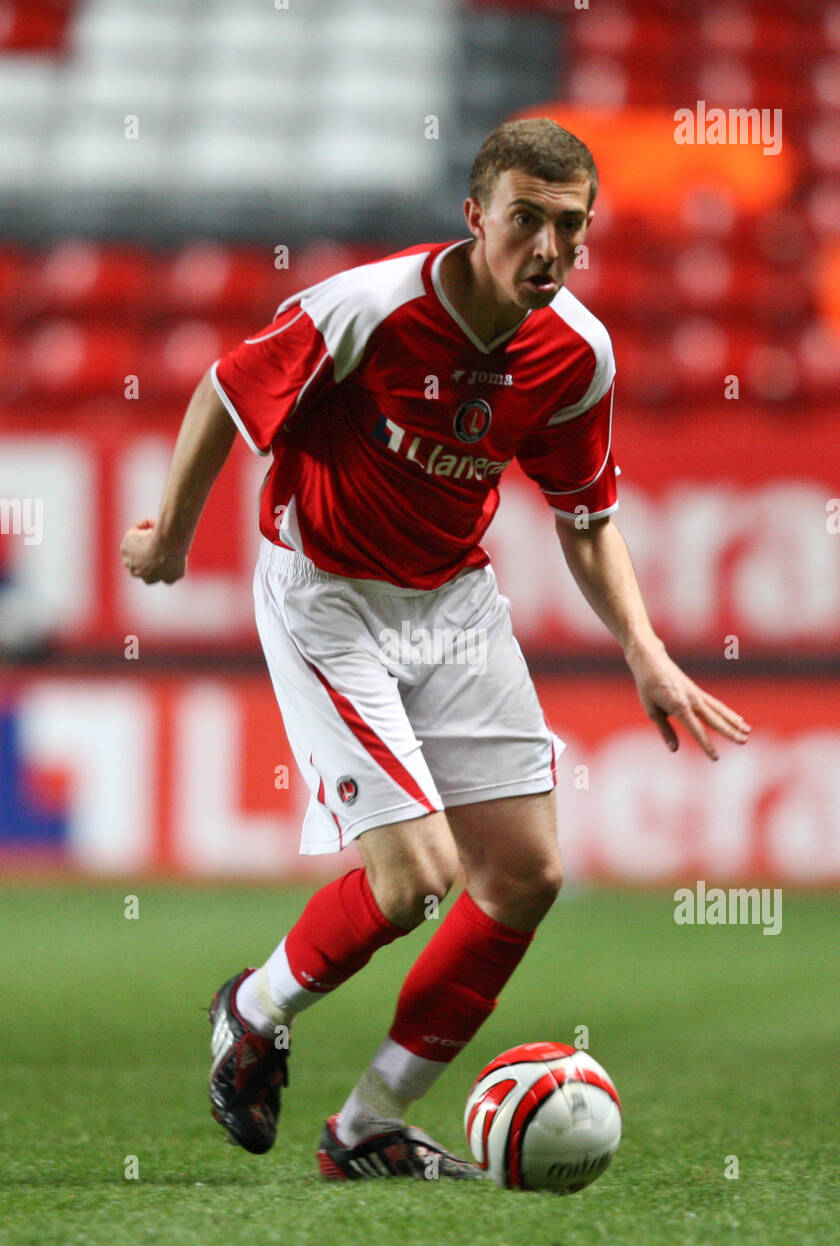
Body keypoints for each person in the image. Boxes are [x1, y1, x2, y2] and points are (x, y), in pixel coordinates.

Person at [121, 118, 750, 1181]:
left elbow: (586, 516)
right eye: (526, 221)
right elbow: (228, 389)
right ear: (474, 218)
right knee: (415, 876)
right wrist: (173, 537)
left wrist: (643, 647)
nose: (547, 249)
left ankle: (366, 1126)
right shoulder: (365, 309)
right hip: (326, 594)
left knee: (524, 874)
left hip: (452, 602)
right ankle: (254, 1006)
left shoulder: (575, 355)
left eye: (570, 228)